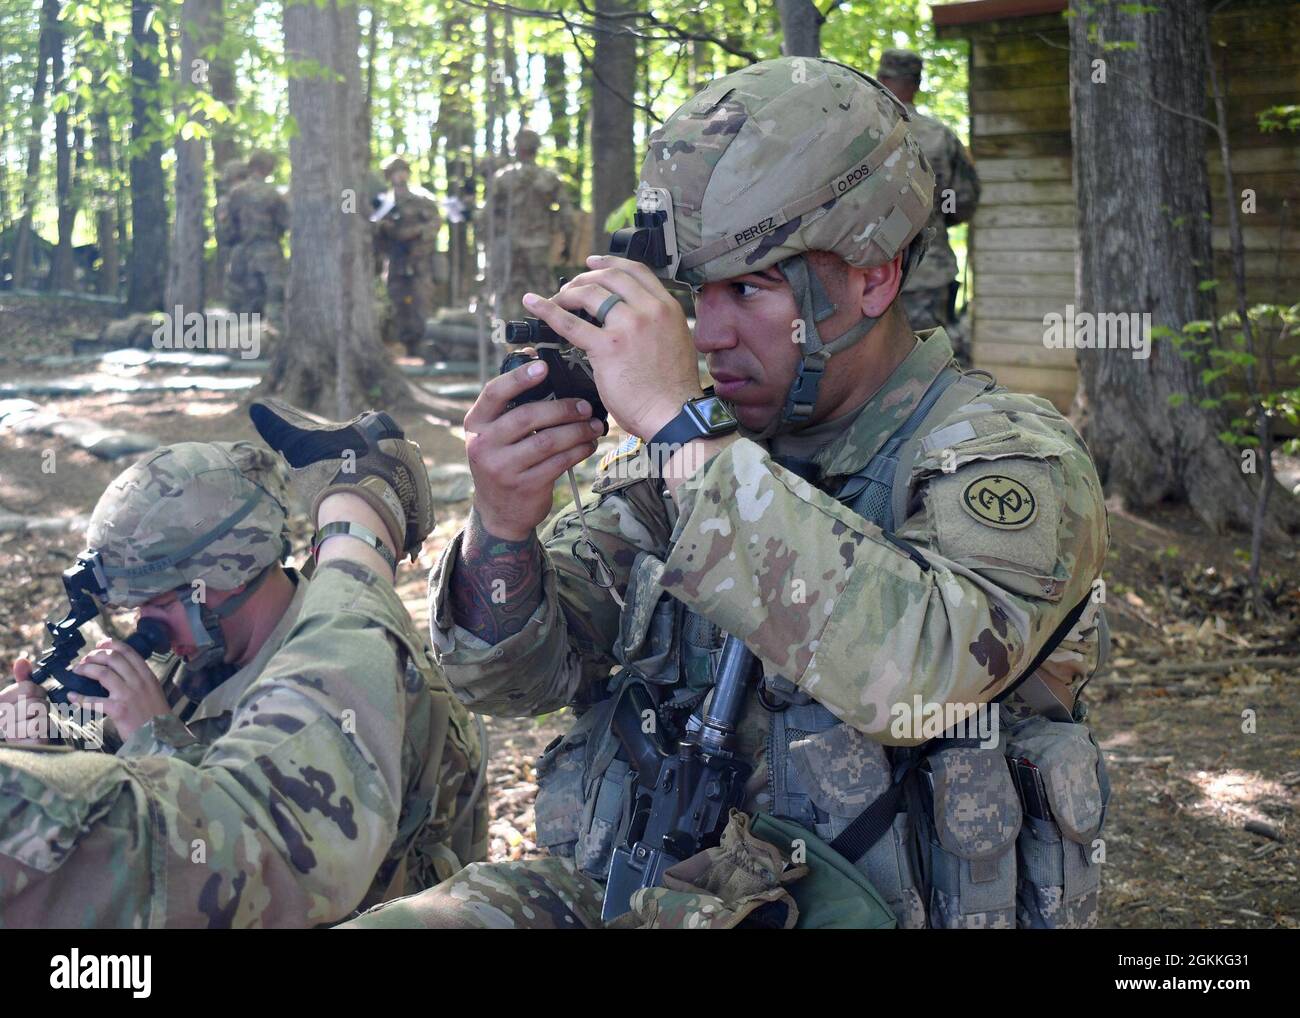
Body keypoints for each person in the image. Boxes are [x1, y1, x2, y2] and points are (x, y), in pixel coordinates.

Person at [341, 56, 1110, 931]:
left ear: (873, 276)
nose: (706, 333)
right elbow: (506, 681)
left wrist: (682, 435)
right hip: (644, 898)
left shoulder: (1004, 459)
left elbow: (919, 676)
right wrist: (504, 528)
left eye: (749, 288)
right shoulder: (699, 449)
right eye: (696, 294)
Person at [0, 427, 487, 926]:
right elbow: (118, 788)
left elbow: (264, 865)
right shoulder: (199, 658)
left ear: (223, 577)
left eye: (158, 603)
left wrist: (153, 736)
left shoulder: (366, 684)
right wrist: (51, 742)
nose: (145, 626)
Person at [877, 49, 981, 366]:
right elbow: (963, 202)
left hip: (866, 274)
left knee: (872, 367)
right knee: (931, 364)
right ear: (917, 84)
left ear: (880, 79)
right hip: (927, 274)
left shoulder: (853, 134)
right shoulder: (939, 137)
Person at [486, 127, 575, 323]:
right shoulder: (549, 178)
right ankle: (544, 333)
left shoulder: (503, 177)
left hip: (509, 244)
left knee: (507, 290)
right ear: (536, 148)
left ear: (516, 148)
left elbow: (488, 215)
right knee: (542, 291)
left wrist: (489, 244)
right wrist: (567, 244)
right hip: (538, 244)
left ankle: (506, 334)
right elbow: (566, 214)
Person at [374, 155, 441, 355]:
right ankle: (407, 344)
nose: (400, 176)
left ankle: (426, 345)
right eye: (395, 172)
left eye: (403, 171)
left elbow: (435, 223)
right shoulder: (382, 202)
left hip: (419, 260)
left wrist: (417, 233)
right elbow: (372, 229)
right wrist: (383, 227)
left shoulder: (422, 199)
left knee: (421, 302)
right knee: (399, 303)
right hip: (395, 261)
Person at [225, 149, 289, 324]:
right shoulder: (272, 194)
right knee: (274, 294)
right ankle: (273, 330)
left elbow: (230, 227)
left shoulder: (236, 193)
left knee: (248, 297)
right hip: (269, 250)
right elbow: (285, 222)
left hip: (243, 251)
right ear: (268, 168)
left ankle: (246, 334)